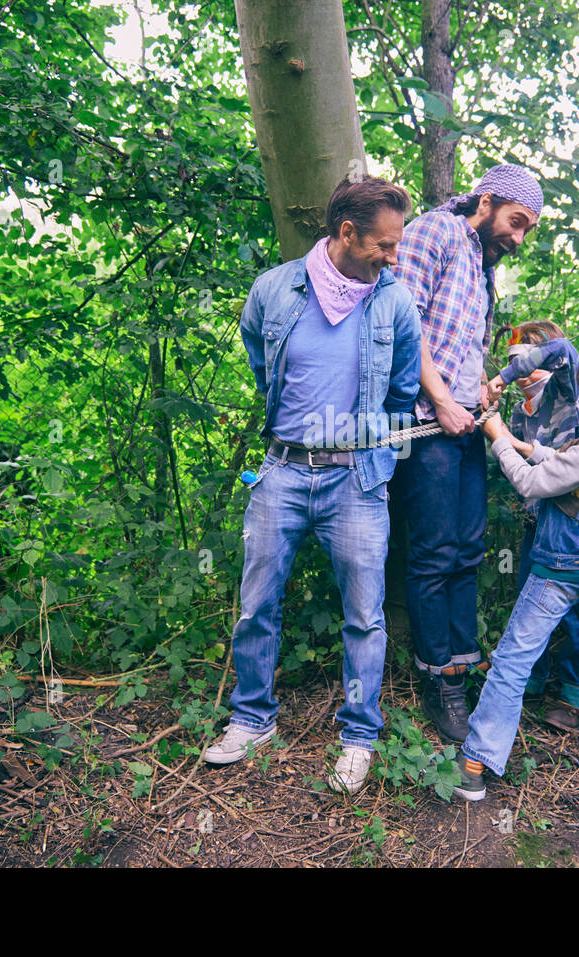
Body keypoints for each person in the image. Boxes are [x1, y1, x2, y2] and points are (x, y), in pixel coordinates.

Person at [203, 175, 422, 795]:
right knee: (256, 604)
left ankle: (358, 735)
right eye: (384, 243)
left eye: (397, 242)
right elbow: (258, 360)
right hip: (282, 472)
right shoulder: (275, 289)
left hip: (357, 478)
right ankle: (251, 720)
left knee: (363, 614)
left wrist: (377, 441)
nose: (393, 254)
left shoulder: (394, 301)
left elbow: (404, 389)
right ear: (346, 233)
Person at [450, 340, 579, 801]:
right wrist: (529, 444)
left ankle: (475, 764)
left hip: (559, 573)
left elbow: (531, 482)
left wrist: (498, 435)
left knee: (511, 661)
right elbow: (571, 465)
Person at [391, 164, 543, 744]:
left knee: (466, 549)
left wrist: (478, 388)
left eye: (528, 229)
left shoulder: (484, 267)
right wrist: (439, 397)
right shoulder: (434, 231)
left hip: (465, 423)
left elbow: (462, 344)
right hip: (426, 426)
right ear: (486, 200)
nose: (519, 238)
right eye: (516, 222)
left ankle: (461, 661)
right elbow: (405, 328)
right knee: (432, 555)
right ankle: (440, 682)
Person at [497, 321, 579, 721]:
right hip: (535, 524)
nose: (520, 368)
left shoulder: (565, 393)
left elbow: (567, 350)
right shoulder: (520, 413)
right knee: (527, 604)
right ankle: (531, 680)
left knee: (571, 611)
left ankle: (575, 693)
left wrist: (503, 376)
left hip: (570, 525)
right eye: (511, 360)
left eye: (527, 359)